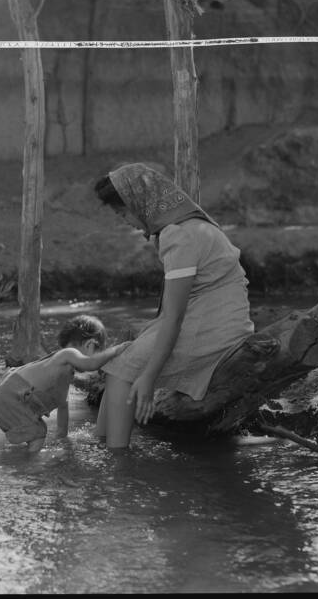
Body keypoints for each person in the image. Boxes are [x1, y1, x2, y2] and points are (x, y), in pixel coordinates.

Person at [91, 163, 254, 449]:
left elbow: (175, 316)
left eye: (123, 212)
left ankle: (116, 463)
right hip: (211, 315)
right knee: (122, 363)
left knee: (122, 371)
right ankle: (101, 445)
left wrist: (149, 377)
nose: (125, 220)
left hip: (215, 326)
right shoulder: (182, 228)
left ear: (140, 202)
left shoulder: (178, 235)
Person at [0, 314, 130, 452]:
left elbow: (63, 412)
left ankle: (18, 458)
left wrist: (63, 440)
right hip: (10, 397)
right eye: (99, 353)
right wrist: (116, 350)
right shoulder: (68, 354)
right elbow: (91, 364)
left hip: (6, 399)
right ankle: (30, 466)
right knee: (38, 432)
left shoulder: (62, 374)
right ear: (90, 344)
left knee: (34, 429)